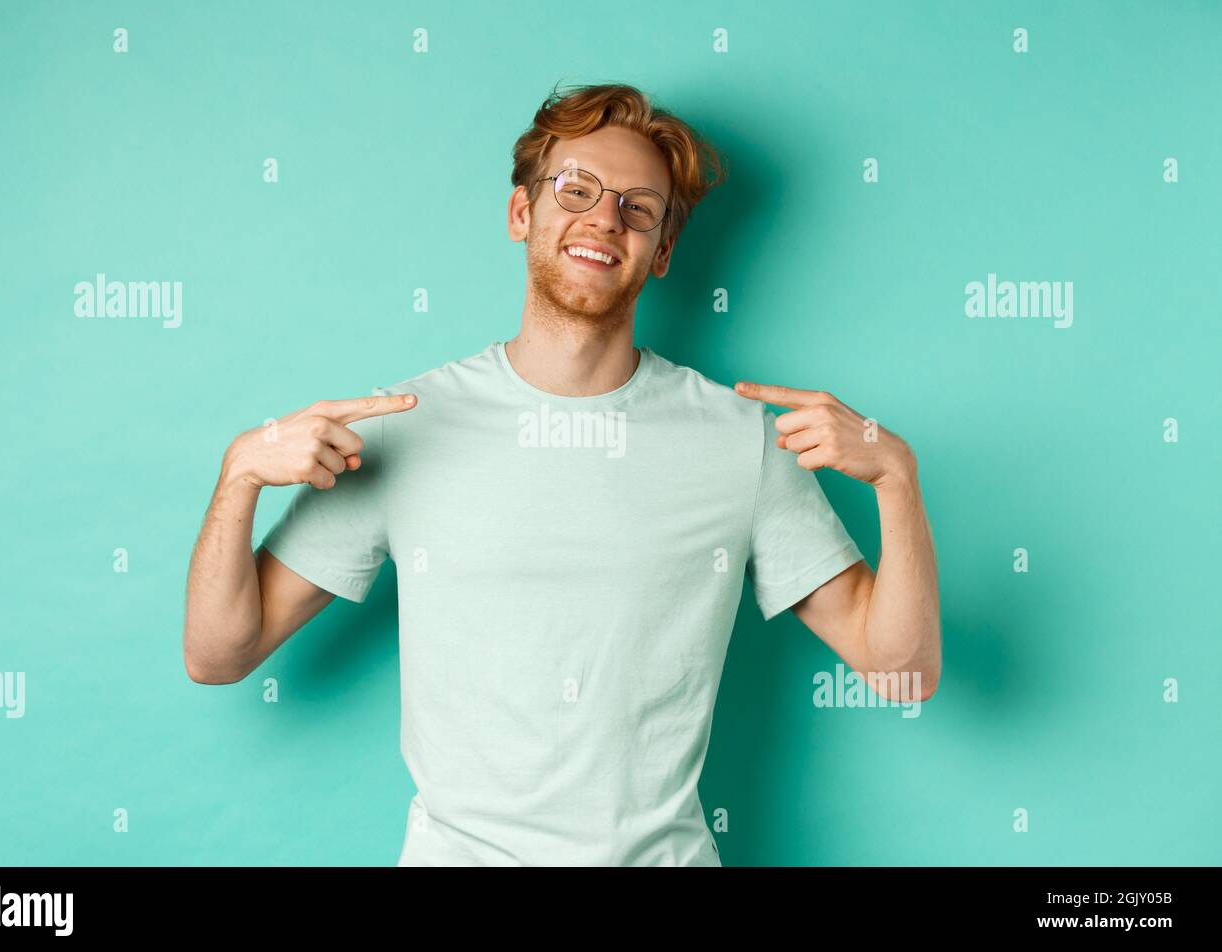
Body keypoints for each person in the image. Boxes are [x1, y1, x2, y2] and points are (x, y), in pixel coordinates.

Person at [182, 82, 941, 866]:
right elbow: (217, 654)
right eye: (576, 190)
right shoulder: (400, 426)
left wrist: (897, 481)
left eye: (638, 208)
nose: (604, 219)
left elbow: (902, 673)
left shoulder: (739, 441)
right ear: (523, 214)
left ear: (663, 252)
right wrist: (238, 474)